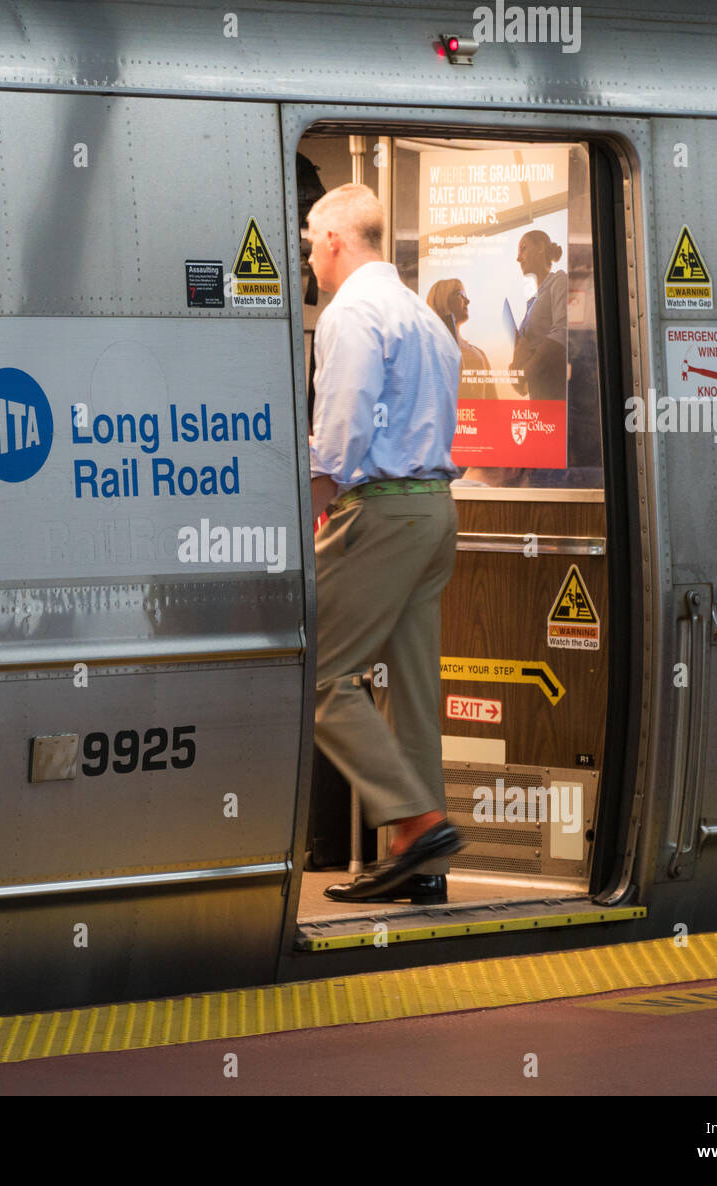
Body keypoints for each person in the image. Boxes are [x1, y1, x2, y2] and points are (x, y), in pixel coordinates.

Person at [305, 183, 464, 904]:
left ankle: (420, 822)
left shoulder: (353, 313)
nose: (309, 255)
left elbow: (343, 423)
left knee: (321, 676)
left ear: (337, 239)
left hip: (384, 513)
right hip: (434, 512)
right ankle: (421, 866)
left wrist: (318, 500)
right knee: (415, 693)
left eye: (311, 240)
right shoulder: (425, 317)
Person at [509, 230, 568, 399]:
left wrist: (525, 371)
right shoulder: (533, 301)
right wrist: (515, 367)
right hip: (539, 396)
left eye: (523, 249)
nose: (518, 258)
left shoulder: (559, 281)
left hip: (558, 394)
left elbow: (562, 331)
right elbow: (522, 389)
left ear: (540, 247)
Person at [426, 278, 501, 399]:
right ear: (443, 299)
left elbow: (493, 405)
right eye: (461, 294)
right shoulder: (426, 351)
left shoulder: (480, 353)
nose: (468, 301)